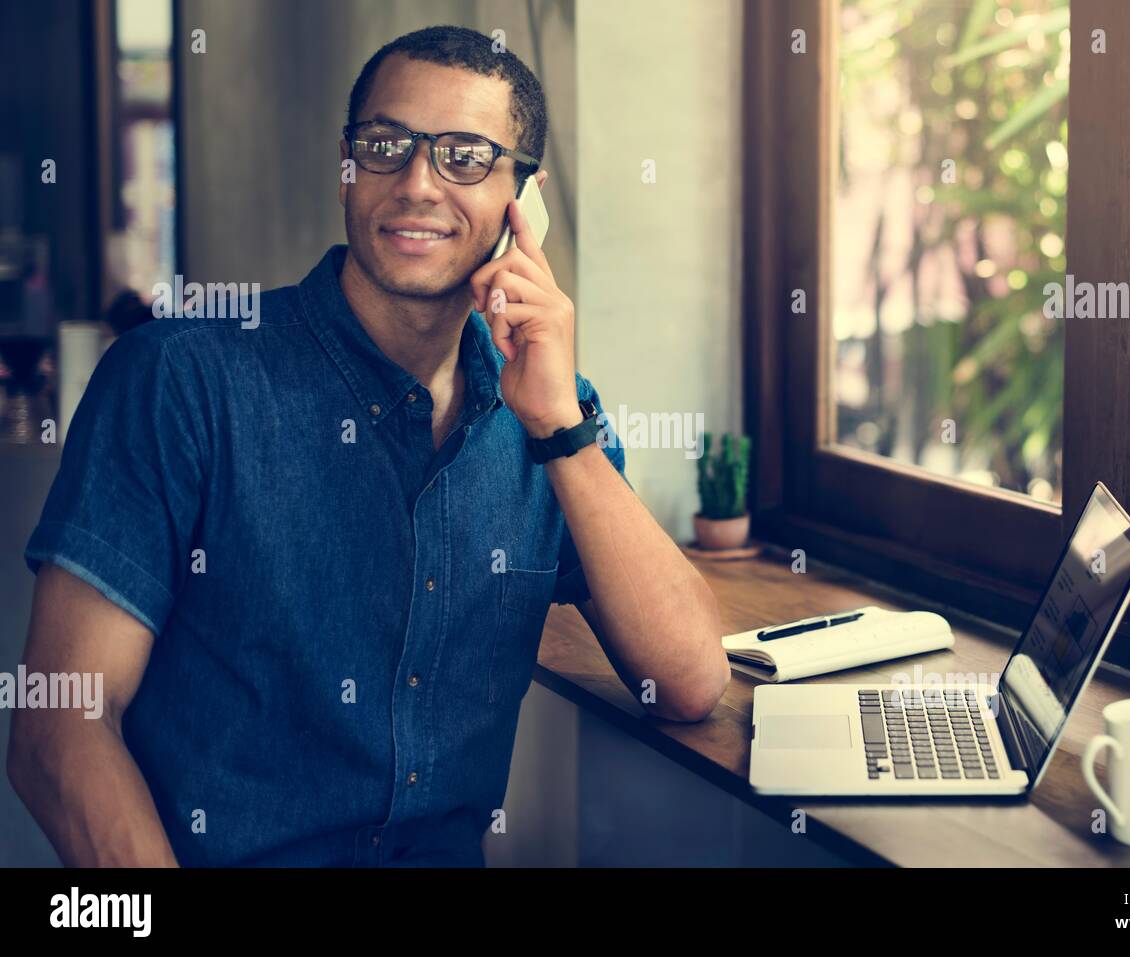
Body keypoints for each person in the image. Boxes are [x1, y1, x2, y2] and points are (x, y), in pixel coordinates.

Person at [7, 25, 727, 867]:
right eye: (385, 145)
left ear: (518, 204)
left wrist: (560, 430)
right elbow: (58, 730)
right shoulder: (177, 380)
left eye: (465, 155)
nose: (417, 183)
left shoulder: (551, 418)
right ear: (346, 165)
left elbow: (688, 681)